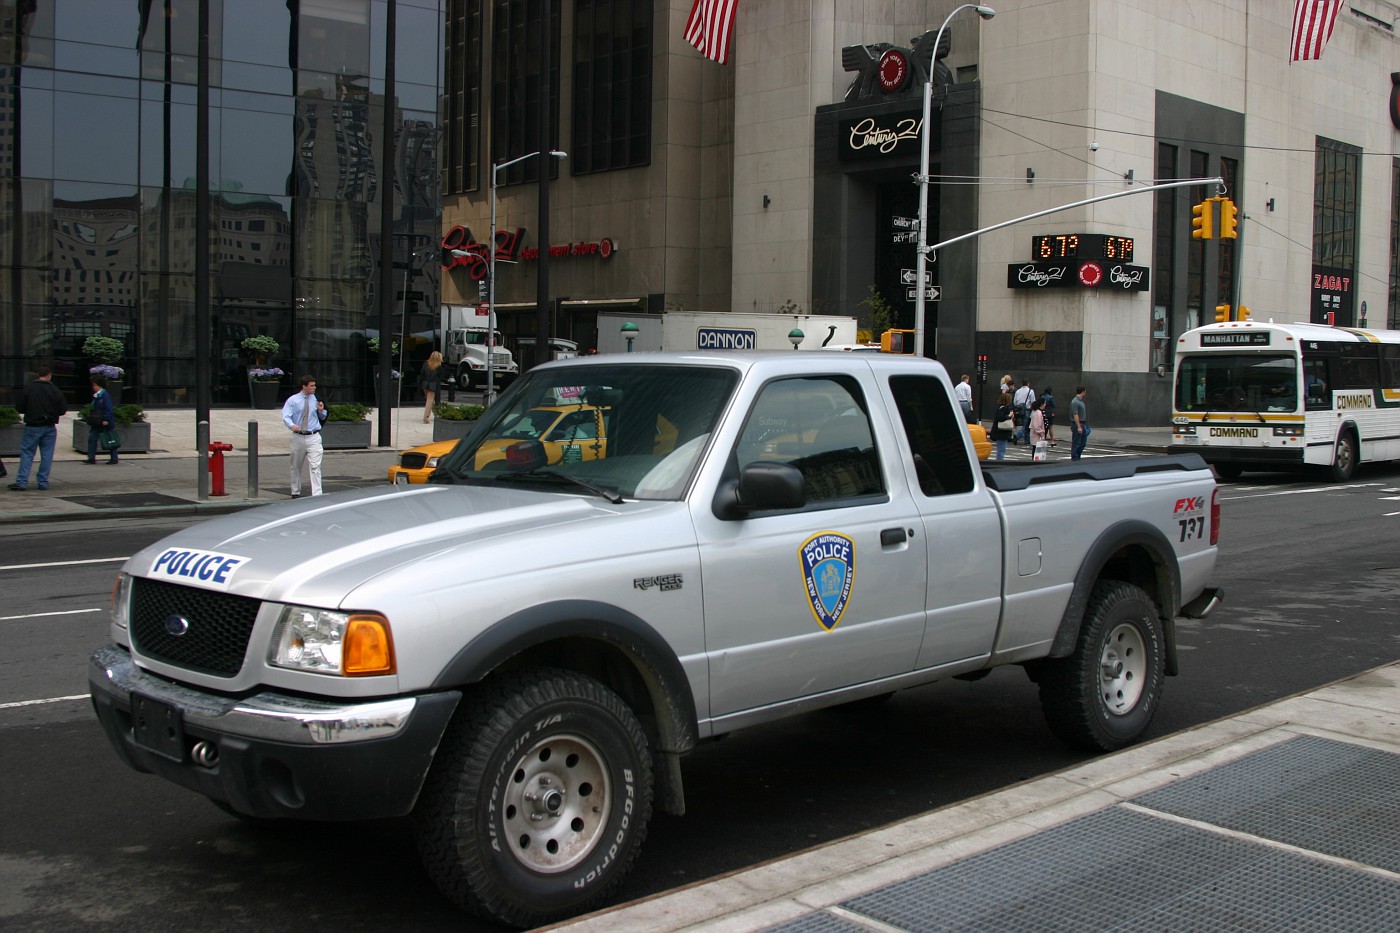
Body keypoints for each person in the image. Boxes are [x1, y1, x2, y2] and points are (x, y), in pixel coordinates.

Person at [9, 365, 68, 491]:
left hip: (33, 425)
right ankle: (43, 482)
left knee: (27, 453)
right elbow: (62, 410)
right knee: (47, 455)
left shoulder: (29, 388)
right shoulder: (55, 390)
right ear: (49, 375)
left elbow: (20, 407)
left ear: (38, 375)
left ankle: (22, 482)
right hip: (49, 426)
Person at [282, 374, 327, 497]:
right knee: (295, 465)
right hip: (298, 436)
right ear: (304, 386)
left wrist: (321, 411)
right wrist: (292, 425)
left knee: (315, 466)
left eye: (314, 385)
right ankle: (295, 491)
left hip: (313, 436)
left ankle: (317, 494)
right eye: (311, 386)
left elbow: (323, 417)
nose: (314, 388)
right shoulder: (293, 400)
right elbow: (286, 415)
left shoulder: (317, 399)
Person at [84, 374, 119, 465]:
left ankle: (114, 458)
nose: (94, 387)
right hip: (97, 422)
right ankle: (91, 458)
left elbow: (109, 409)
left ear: (100, 385)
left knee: (109, 439)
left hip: (104, 422)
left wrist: (106, 419)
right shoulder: (97, 396)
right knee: (92, 438)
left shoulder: (104, 395)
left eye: (95, 385)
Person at [419, 350, 444, 423]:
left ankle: (436, 413)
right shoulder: (439, 365)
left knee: (430, 400)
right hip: (433, 385)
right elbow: (441, 376)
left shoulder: (426, 363)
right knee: (430, 400)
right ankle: (426, 417)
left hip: (425, 384)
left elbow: (422, 373)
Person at [989, 391, 1015, 461]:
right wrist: (1009, 416)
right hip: (1001, 432)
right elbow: (1000, 418)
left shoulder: (1000, 408)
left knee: (1001, 449)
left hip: (1000, 431)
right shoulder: (1003, 408)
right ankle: (999, 462)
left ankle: (999, 461)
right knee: (1001, 449)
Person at [1070, 385, 1090, 461]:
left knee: (1082, 443)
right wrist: (1078, 426)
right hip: (1077, 424)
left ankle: (1078, 456)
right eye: (1085, 391)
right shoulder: (1075, 402)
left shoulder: (1080, 401)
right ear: (1083, 391)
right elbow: (1075, 414)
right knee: (1077, 443)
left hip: (1082, 423)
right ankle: (1075, 458)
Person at [1013, 379, 1035, 444]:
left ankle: (1027, 440)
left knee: (1023, 425)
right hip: (1027, 409)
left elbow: (1015, 402)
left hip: (1019, 410)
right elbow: (1033, 402)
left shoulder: (1018, 391)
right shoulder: (1030, 391)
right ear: (1028, 384)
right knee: (1026, 425)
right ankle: (1017, 436)